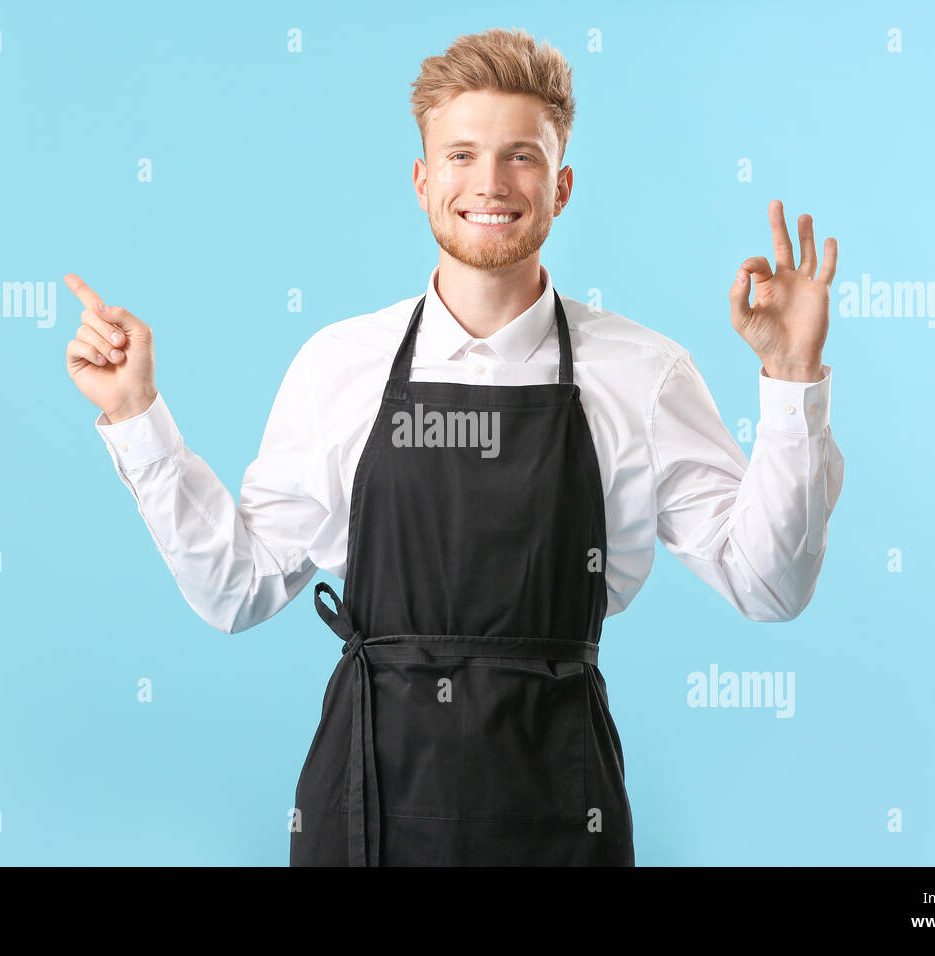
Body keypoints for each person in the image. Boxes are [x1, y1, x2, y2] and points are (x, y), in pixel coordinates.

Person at [63, 27, 844, 866]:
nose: (490, 184)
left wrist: (793, 378)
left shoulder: (644, 374)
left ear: (562, 185)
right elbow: (235, 591)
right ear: (423, 179)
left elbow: (771, 586)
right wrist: (138, 414)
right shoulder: (340, 366)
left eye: (521, 157)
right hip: (369, 815)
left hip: (560, 819)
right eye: (462, 154)